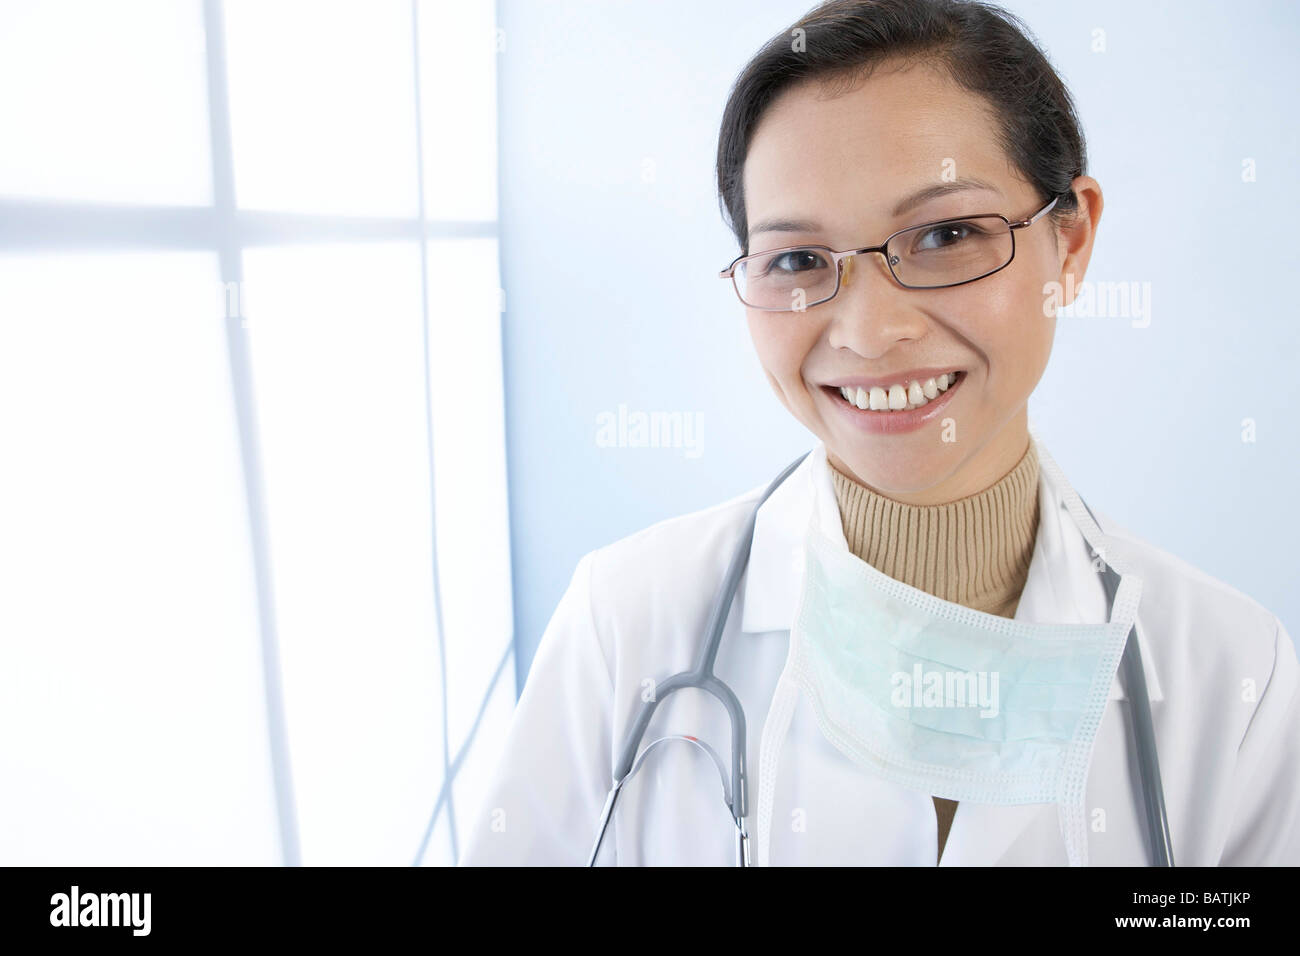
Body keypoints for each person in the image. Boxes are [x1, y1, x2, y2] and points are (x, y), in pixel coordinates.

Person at [460, 0, 1300, 865]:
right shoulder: (624, 626)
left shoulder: (1233, 673)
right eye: (796, 260)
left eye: (944, 234)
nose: (868, 332)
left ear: (1072, 239)